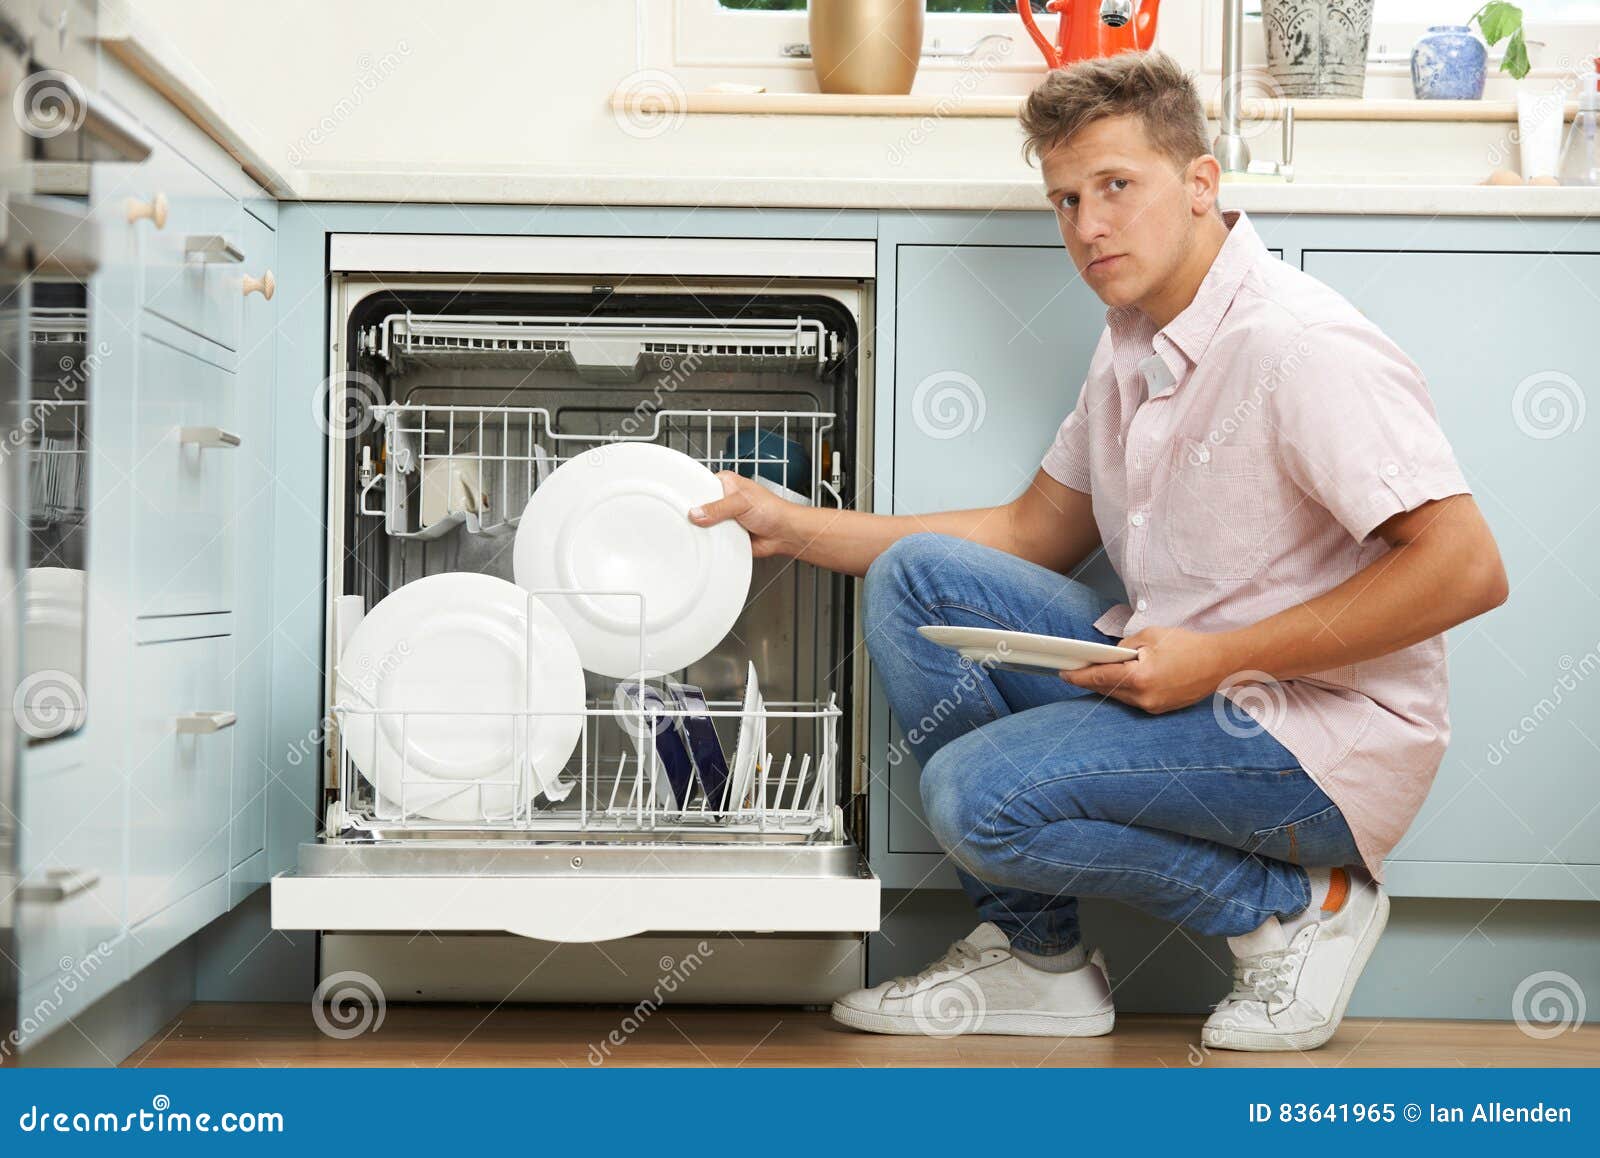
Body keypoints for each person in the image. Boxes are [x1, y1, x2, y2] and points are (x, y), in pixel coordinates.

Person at [687, 50, 1507, 1052]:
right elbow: (1035, 531)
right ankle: (1037, 963)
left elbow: (1466, 566)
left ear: (1201, 184)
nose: (1086, 226)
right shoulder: (1129, 339)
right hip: (1189, 684)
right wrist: (794, 525)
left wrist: (1211, 658)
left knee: (971, 794)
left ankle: (1292, 907)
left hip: (1316, 740)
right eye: (1065, 200)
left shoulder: (1299, 345)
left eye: (1115, 186)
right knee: (915, 580)